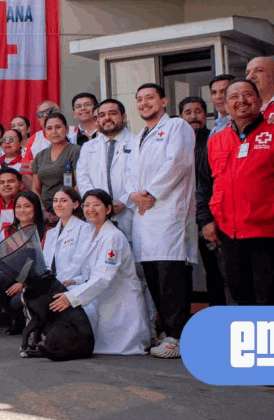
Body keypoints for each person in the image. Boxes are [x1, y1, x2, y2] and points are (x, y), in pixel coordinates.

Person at [206, 80, 274, 306]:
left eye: (248, 95)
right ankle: (252, 341)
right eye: (234, 97)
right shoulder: (216, 141)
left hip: (270, 233)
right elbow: (205, 184)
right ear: (226, 103)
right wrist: (205, 219)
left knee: (273, 298)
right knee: (241, 297)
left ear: (260, 101)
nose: (241, 101)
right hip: (229, 235)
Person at [125, 83, 196, 360]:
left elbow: (178, 163)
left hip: (167, 212)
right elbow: (129, 172)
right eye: (139, 99)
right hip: (144, 214)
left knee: (171, 275)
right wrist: (134, 195)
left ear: (164, 101)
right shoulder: (139, 135)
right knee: (153, 274)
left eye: (150, 98)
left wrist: (151, 194)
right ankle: (167, 332)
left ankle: (178, 336)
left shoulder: (177, 127)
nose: (144, 103)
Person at [51, 190, 150, 356]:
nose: (91, 209)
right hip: (104, 302)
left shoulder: (112, 237)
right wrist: (74, 282)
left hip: (121, 307)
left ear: (108, 209)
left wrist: (72, 297)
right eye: (87, 205)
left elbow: (104, 277)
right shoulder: (93, 233)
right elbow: (89, 270)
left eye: (96, 205)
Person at [181, 95, 227, 306]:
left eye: (197, 111)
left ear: (205, 114)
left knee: (215, 268)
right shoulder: (176, 144)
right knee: (182, 268)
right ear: (181, 116)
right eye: (188, 112)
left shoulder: (214, 139)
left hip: (208, 214)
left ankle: (219, 312)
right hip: (181, 216)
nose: (193, 117)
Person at [76, 99, 137, 239]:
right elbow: (83, 178)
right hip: (98, 215)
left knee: (131, 256)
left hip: (129, 212)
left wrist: (124, 200)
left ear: (123, 117)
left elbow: (138, 176)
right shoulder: (88, 147)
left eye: (113, 113)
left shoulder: (137, 143)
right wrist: (97, 204)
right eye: (102, 115)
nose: (107, 118)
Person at [0, 191, 46, 335]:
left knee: (17, 300)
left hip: (38, 279)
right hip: (14, 275)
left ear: (35, 209)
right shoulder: (8, 231)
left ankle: (26, 319)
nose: (22, 210)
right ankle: (14, 318)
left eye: (27, 206)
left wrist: (23, 283)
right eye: (18, 206)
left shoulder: (46, 232)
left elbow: (43, 264)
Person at [31, 112, 81, 224]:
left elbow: (79, 184)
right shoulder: (40, 156)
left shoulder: (76, 151)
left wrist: (65, 209)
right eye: (49, 128)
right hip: (47, 214)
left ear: (67, 129)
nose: (54, 132)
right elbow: (35, 189)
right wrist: (43, 211)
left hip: (71, 213)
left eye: (58, 127)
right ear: (45, 133)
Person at [41, 187, 89, 291]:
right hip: (49, 285)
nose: (58, 204)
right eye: (55, 201)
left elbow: (79, 263)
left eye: (64, 201)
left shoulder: (85, 229)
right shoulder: (50, 233)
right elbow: (45, 262)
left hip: (73, 286)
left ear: (76, 204)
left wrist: (57, 282)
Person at [0, 168, 26, 239]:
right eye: (2, 182)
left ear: (21, 185)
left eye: (11, 181)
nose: (6, 185)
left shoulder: (27, 208)